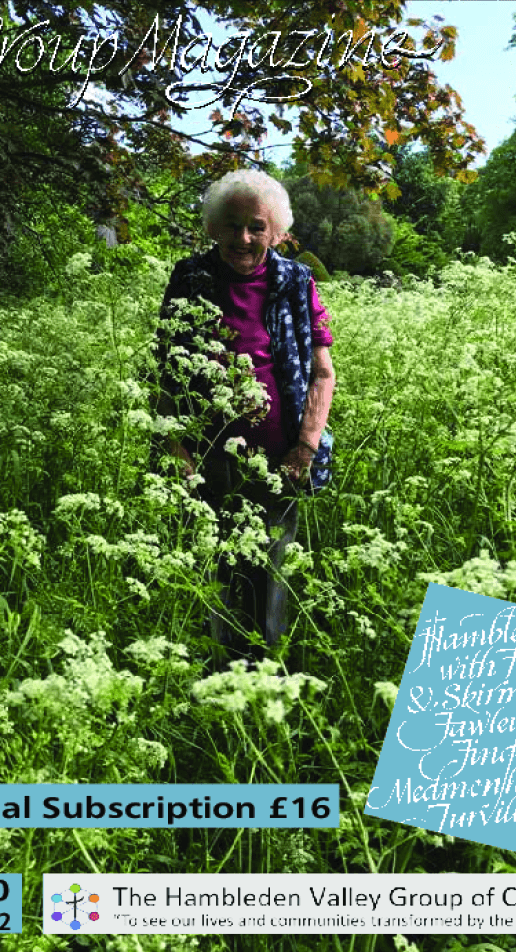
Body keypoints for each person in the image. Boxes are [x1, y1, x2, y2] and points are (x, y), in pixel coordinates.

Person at [157, 169, 335, 661]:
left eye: (257, 227)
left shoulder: (296, 282)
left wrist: (305, 447)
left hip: (280, 463)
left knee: (270, 579)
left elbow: (322, 373)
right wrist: (176, 448)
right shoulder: (189, 278)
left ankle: (265, 677)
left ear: (276, 232)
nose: (243, 238)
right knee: (210, 575)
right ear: (213, 228)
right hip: (206, 458)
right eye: (232, 225)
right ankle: (217, 675)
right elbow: (166, 370)